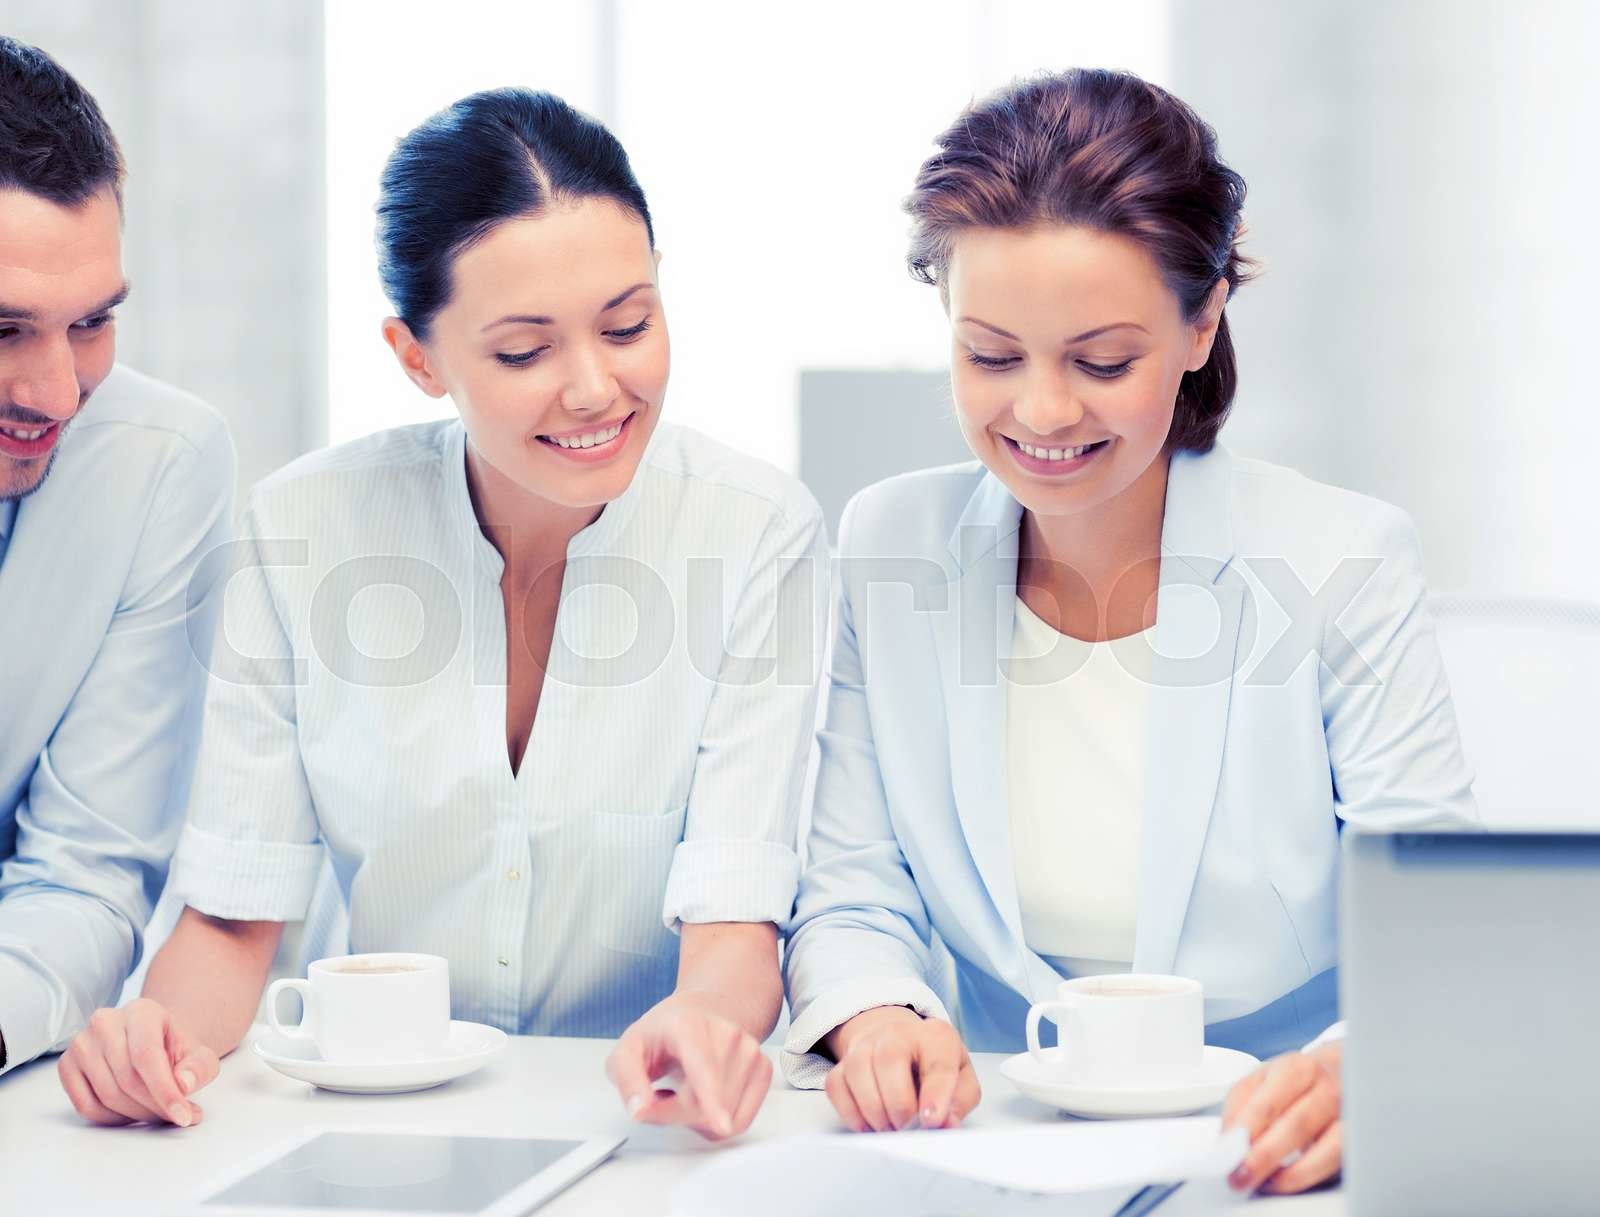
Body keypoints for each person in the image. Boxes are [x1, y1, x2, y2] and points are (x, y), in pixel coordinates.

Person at [58, 88, 826, 1139]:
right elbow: (235, 916)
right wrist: (152, 1042)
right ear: (416, 357)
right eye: (524, 351)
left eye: (629, 324)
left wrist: (695, 1028)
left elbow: (736, 922)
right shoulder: (305, 529)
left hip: (638, 1124)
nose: (596, 386)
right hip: (369, 1123)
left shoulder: (754, 530)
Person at [782, 68, 1477, 1194]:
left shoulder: (1342, 556)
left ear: (1201, 323)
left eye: (1102, 361)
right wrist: (876, 1012)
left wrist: (1367, 1064)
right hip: (990, 1134)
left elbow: (1436, 911)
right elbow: (854, 883)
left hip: (1264, 1138)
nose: (1043, 412)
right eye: (990, 355)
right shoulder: (888, 540)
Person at [0, 38, 234, 1077]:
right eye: (1, 331)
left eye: (92, 323)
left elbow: (84, 874)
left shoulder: (156, 463)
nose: (55, 394)